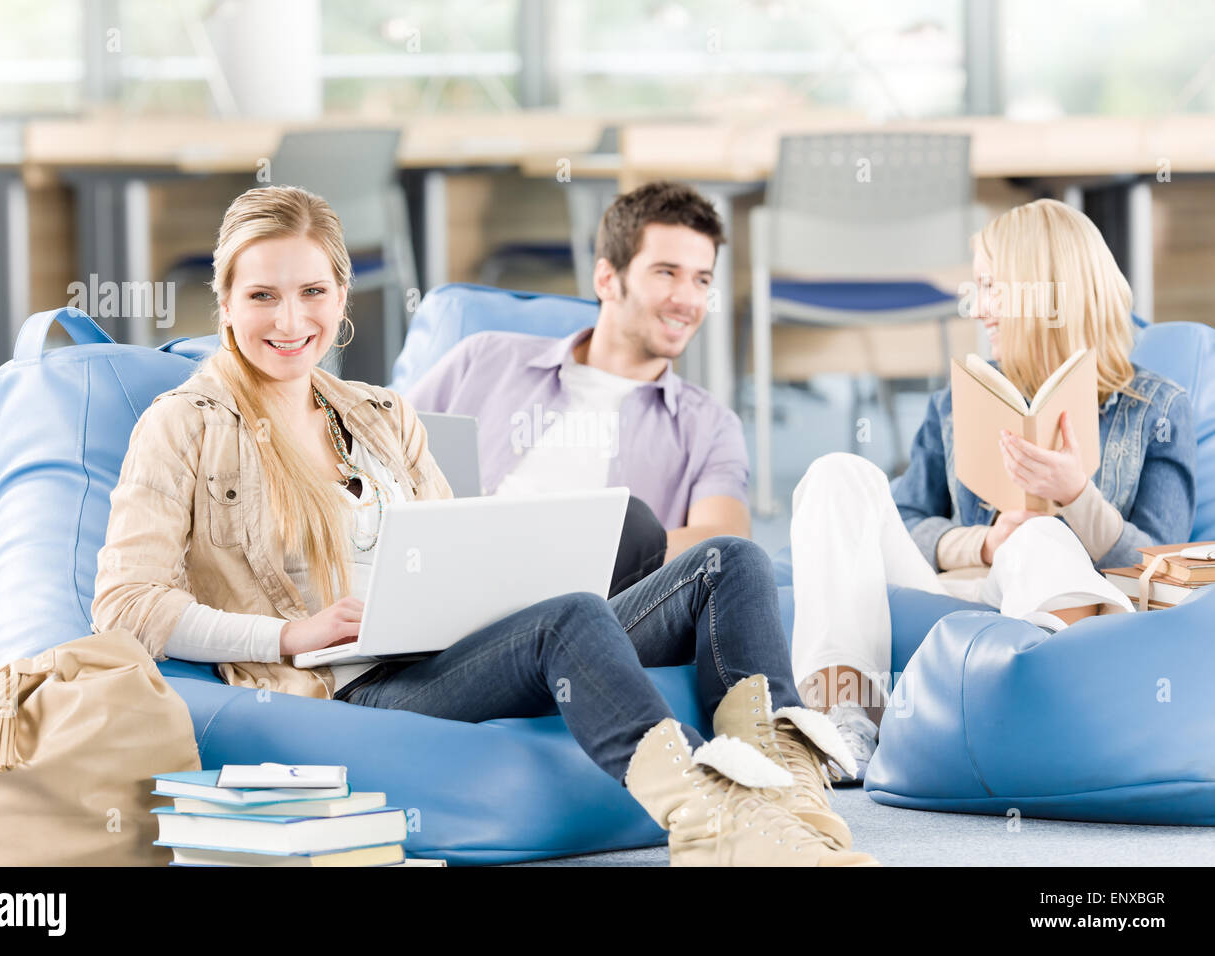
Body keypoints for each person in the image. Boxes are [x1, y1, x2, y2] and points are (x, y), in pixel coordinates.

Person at [91, 185, 877, 867]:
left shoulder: (380, 413)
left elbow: (447, 547)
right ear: (225, 302)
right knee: (569, 619)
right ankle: (708, 823)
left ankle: (795, 810)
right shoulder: (184, 426)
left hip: (444, 647)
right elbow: (124, 607)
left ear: (341, 296)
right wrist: (288, 638)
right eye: (262, 295)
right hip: (353, 688)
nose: (290, 320)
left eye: (312, 293)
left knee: (728, 560)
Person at [787, 198, 1197, 783]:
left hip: (1057, 609)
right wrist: (980, 542)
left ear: (1045, 291)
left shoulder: (1156, 409)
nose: (979, 309)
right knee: (837, 473)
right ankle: (845, 719)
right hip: (960, 597)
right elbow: (905, 517)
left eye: (991, 288)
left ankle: (1060, 713)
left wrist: (1076, 496)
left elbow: (1168, 575)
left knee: (1040, 536)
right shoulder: (958, 400)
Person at [407, 181, 750, 596]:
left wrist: (586, 552)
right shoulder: (485, 359)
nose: (688, 300)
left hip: (605, 608)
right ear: (607, 279)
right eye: (666, 273)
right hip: (462, 586)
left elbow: (725, 545)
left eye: (701, 280)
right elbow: (373, 455)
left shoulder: (708, 424)